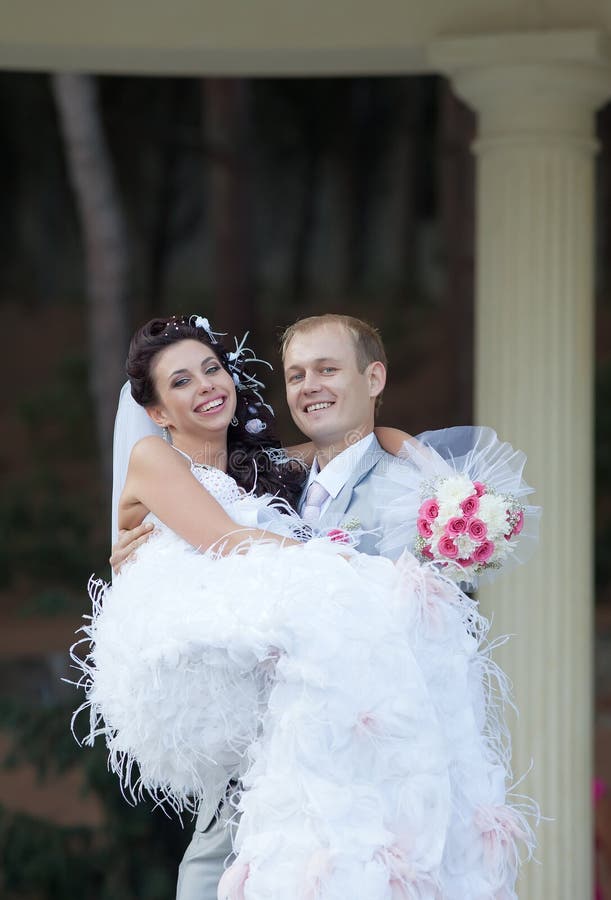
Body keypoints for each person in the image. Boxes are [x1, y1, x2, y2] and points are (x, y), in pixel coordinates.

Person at [83, 313, 538, 900]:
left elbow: (352, 444)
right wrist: (342, 561)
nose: (206, 386)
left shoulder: (259, 472)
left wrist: (410, 450)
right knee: (219, 856)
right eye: (181, 381)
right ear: (157, 411)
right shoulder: (154, 456)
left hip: (313, 731)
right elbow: (227, 539)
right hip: (225, 712)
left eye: (212, 369)